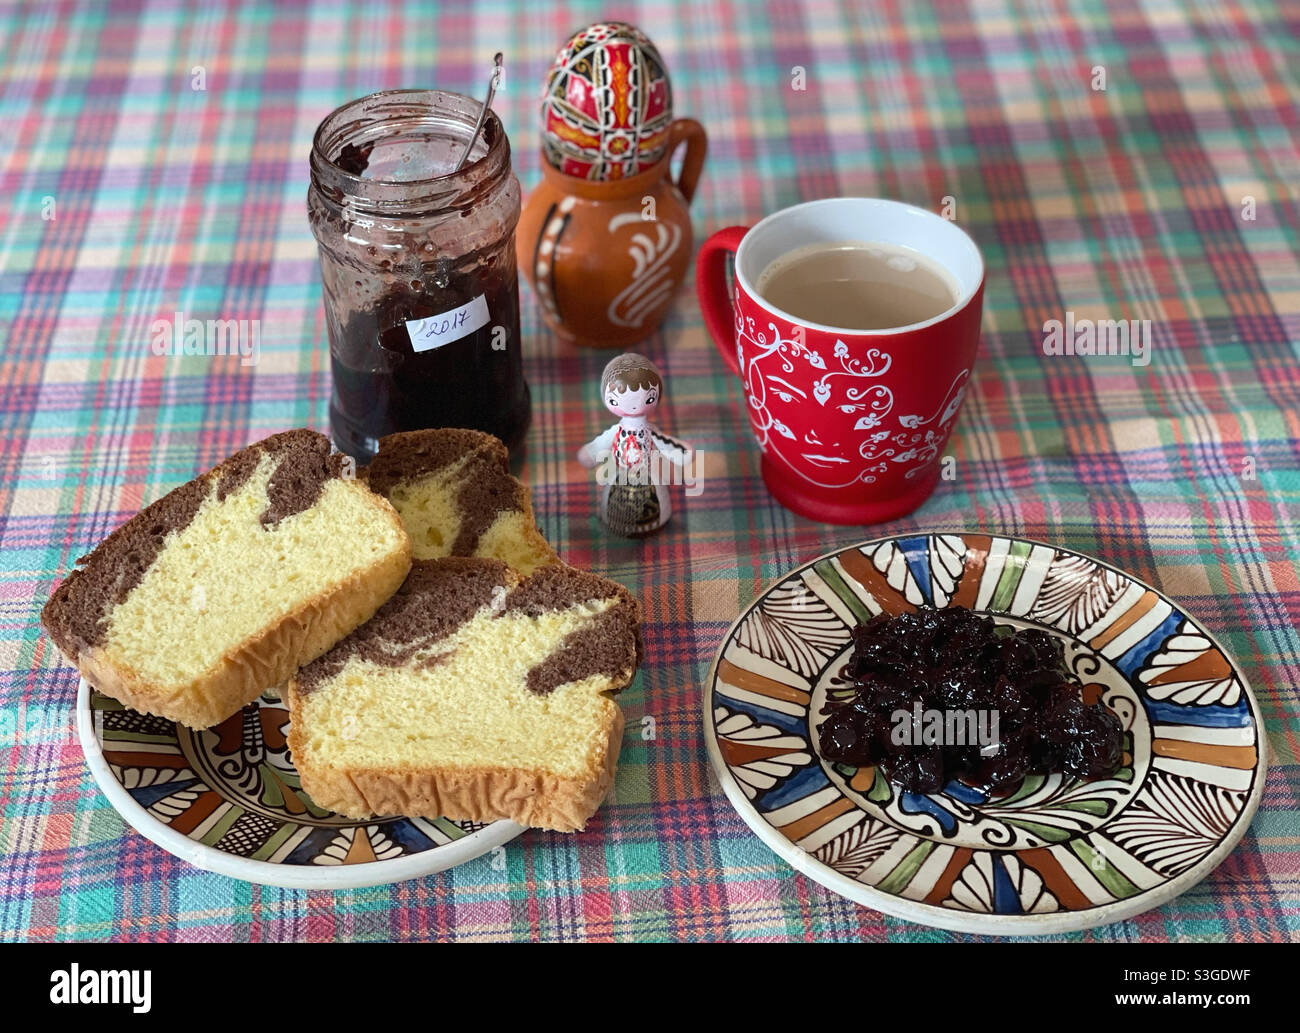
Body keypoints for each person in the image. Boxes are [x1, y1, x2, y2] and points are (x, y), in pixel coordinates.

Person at [577, 352, 691, 537]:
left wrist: (681, 452)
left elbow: (665, 443)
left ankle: (651, 520)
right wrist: (589, 454)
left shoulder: (648, 431)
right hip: (620, 476)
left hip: (648, 476)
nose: (633, 406)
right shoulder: (618, 432)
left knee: (653, 497)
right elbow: (598, 447)